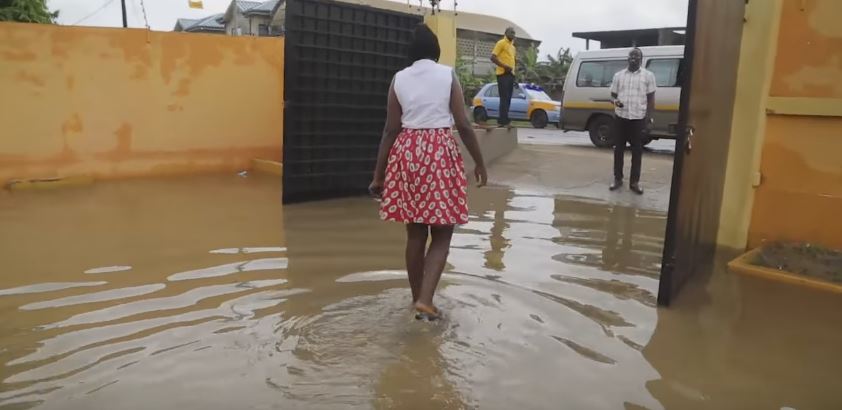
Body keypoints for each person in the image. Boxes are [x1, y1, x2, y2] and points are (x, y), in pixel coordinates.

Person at [369, 24, 488, 320]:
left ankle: (418, 301)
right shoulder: (447, 75)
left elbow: (390, 129)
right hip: (438, 151)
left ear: (410, 54)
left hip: (406, 152)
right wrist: (480, 162)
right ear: (436, 52)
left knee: (415, 233)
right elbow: (463, 124)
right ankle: (425, 300)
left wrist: (378, 174)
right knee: (443, 232)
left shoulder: (399, 78)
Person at [609, 48, 656, 195]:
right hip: (621, 117)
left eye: (637, 56)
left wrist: (649, 118)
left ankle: (634, 182)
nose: (634, 58)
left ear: (641, 59)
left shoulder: (648, 76)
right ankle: (618, 179)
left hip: (638, 119)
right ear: (627, 59)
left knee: (637, 151)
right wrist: (616, 103)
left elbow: (651, 99)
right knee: (618, 150)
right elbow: (612, 96)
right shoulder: (618, 76)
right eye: (631, 56)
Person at [491, 27, 517, 128]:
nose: (513, 34)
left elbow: (513, 60)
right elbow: (493, 57)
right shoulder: (501, 43)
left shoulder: (513, 47)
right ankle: (502, 120)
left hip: (511, 75)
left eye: (514, 33)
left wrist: (514, 73)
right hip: (502, 74)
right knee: (504, 97)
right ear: (506, 33)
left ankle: (505, 119)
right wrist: (504, 66)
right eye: (511, 32)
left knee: (508, 98)